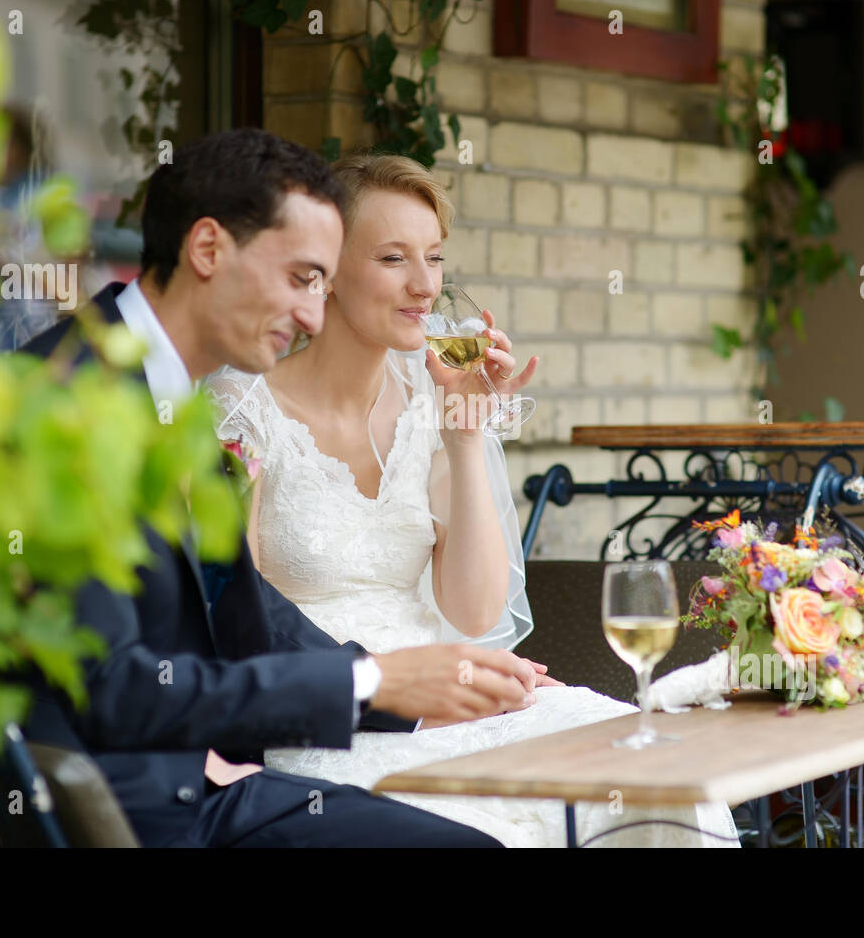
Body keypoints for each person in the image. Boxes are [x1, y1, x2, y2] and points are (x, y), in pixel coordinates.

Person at [19, 128, 549, 847]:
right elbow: (111, 684)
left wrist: (406, 689)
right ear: (208, 250)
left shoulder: (162, 390)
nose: (311, 311)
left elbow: (245, 606)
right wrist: (365, 686)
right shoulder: (72, 401)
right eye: (301, 277)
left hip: (196, 783)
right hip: (122, 812)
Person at [208, 153, 740, 848]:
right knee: (493, 831)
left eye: (434, 257)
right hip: (334, 721)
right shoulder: (242, 407)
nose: (425, 285)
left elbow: (474, 611)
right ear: (327, 271)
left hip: (460, 692)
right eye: (394, 257)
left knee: (663, 780)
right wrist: (408, 700)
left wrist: (465, 434)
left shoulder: (430, 397)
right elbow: (234, 625)